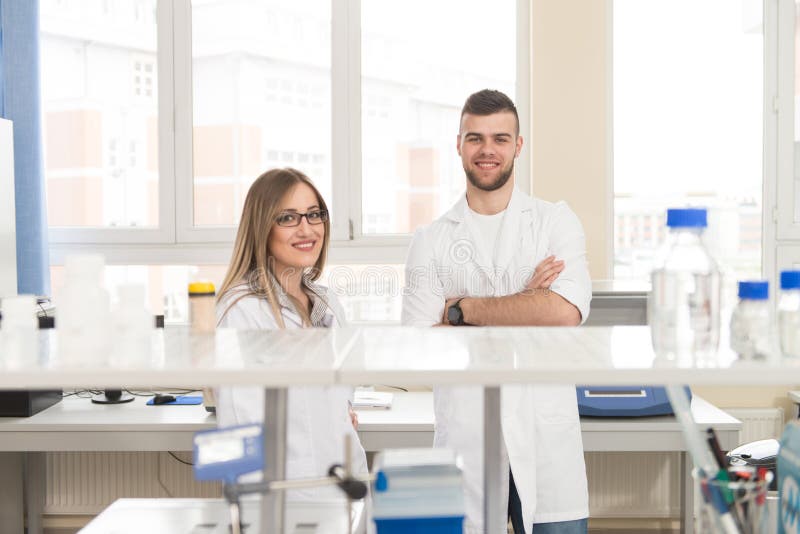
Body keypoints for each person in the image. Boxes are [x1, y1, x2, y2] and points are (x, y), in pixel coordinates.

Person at [402, 89, 591, 533]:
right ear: (459, 144)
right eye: (475, 138)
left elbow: (564, 312)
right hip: (468, 437)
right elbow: (417, 346)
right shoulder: (431, 239)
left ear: (518, 145)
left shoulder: (554, 221)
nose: (487, 150)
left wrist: (461, 309)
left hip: (544, 437)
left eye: (500, 138)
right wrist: (526, 302)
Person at [215, 167, 366, 500]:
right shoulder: (242, 310)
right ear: (261, 227)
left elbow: (343, 383)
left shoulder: (326, 301)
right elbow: (242, 425)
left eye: (314, 214)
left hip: (342, 483)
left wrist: (339, 408)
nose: (306, 229)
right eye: (287, 218)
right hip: (285, 498)